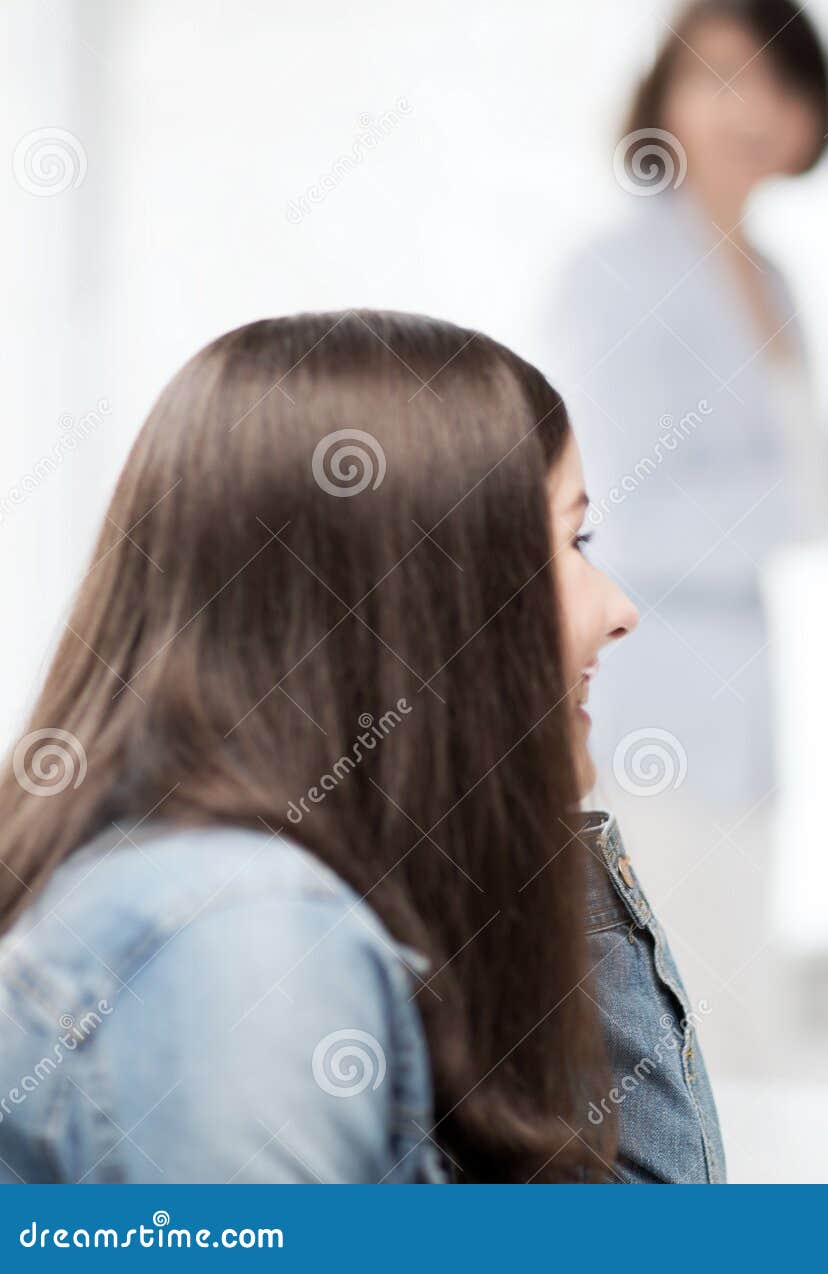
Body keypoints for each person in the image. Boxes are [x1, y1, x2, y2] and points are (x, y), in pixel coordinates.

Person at [0, 310, 723, 1183]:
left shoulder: (296, 918)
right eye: (567, 541)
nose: (618, 608)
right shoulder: (245, 943)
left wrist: (517, 819)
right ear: (409, 601)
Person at [539, 0, 828, 811]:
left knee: (728, 934)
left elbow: (804, 464)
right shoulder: (614, 272)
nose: (752, 105)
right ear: (663, 101)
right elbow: (628, 516)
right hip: (637, 711)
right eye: (719, 76)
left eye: (777, 81)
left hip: (744, 723)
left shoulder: (772, 280)